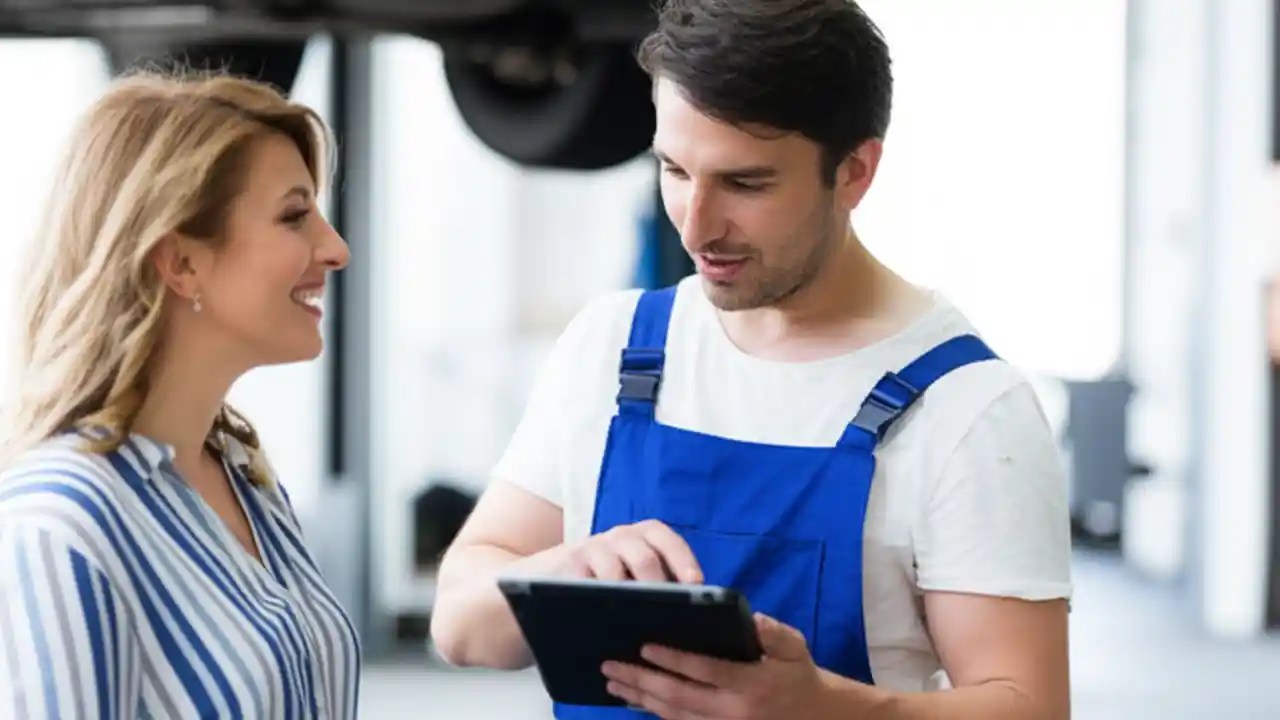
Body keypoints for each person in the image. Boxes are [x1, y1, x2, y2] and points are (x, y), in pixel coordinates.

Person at [431, 0, 1072, 718]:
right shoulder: (612, 348)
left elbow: (1028, 706)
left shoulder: (965, 410)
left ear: (855, 172)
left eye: (745, 183)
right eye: (674, 169)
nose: (697, 225)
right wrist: (561, 570)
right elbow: (460, 627)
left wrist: (825, 708)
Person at [0, 70, 360, 719]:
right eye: (294, 216)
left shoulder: (244, 477)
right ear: (181, 262)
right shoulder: (59, 522)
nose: (335, 248)